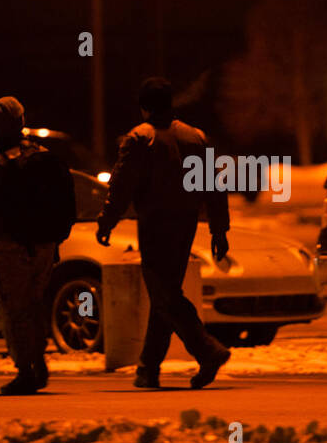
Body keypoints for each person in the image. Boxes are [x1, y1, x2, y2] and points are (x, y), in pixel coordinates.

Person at [96, 77, 231, 390]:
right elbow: (214, 186)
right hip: (185, 223)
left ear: (143, 107)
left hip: (155, 224)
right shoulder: (196, 137)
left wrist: (107, 220)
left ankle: (207, 349)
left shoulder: (139, 138)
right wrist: (219, 229)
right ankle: (148, 368)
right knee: (165, 294)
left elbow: (121, 186)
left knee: (164, 294)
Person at [0, 97, 76, 395]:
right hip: (44, 247)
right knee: (34, 305)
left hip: (8, 249)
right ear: (22, 120)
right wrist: (54, 241)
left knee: (13, 309)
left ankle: (26, 371)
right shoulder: (43, 155)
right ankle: (37, 361)